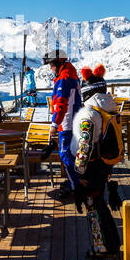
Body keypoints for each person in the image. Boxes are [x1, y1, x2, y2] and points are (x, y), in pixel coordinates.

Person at [70, 66, 124, 258]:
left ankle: (101, 247)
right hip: (104, 164)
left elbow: (84, 145)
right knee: (100, 203)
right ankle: (112, 242)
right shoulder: (109, 109)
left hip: (91, 166)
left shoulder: (89, 114)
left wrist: (78, 170)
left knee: (93, 205)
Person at [47, 52, 83, 197]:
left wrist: (55, 124)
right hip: (74, 120)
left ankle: (76, 186)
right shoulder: (72, 75)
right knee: (72, 153)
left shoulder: (64, 78)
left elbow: (62, 104)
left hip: (66, 122)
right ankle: (74, 181)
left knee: (65, 154)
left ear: (58, 64)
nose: (50, 68)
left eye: (51, 65)